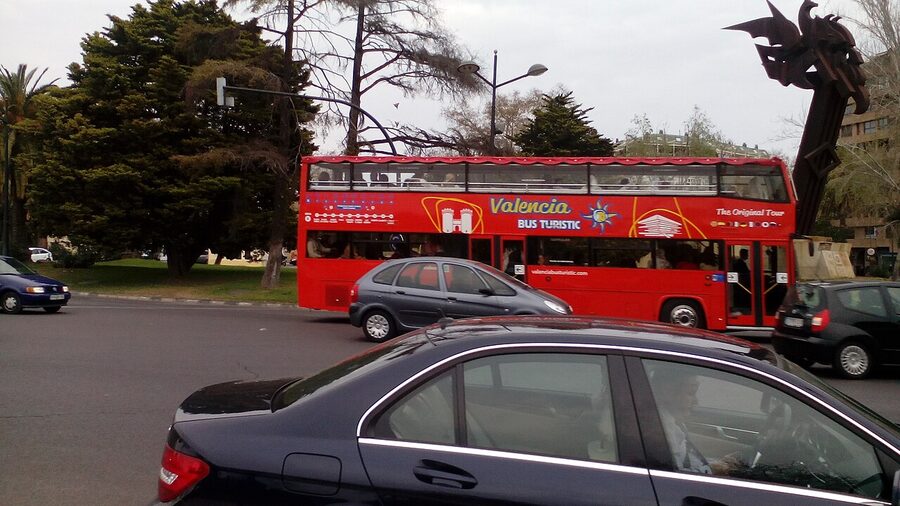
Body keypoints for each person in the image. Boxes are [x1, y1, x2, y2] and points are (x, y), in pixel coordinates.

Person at [650, 369, 739, 476]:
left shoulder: (674, 423)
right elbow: (674, 476)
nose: (696, 401)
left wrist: (719, 464)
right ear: (667, 392)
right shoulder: (659, 429)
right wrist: (711, 470)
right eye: (691, 393)